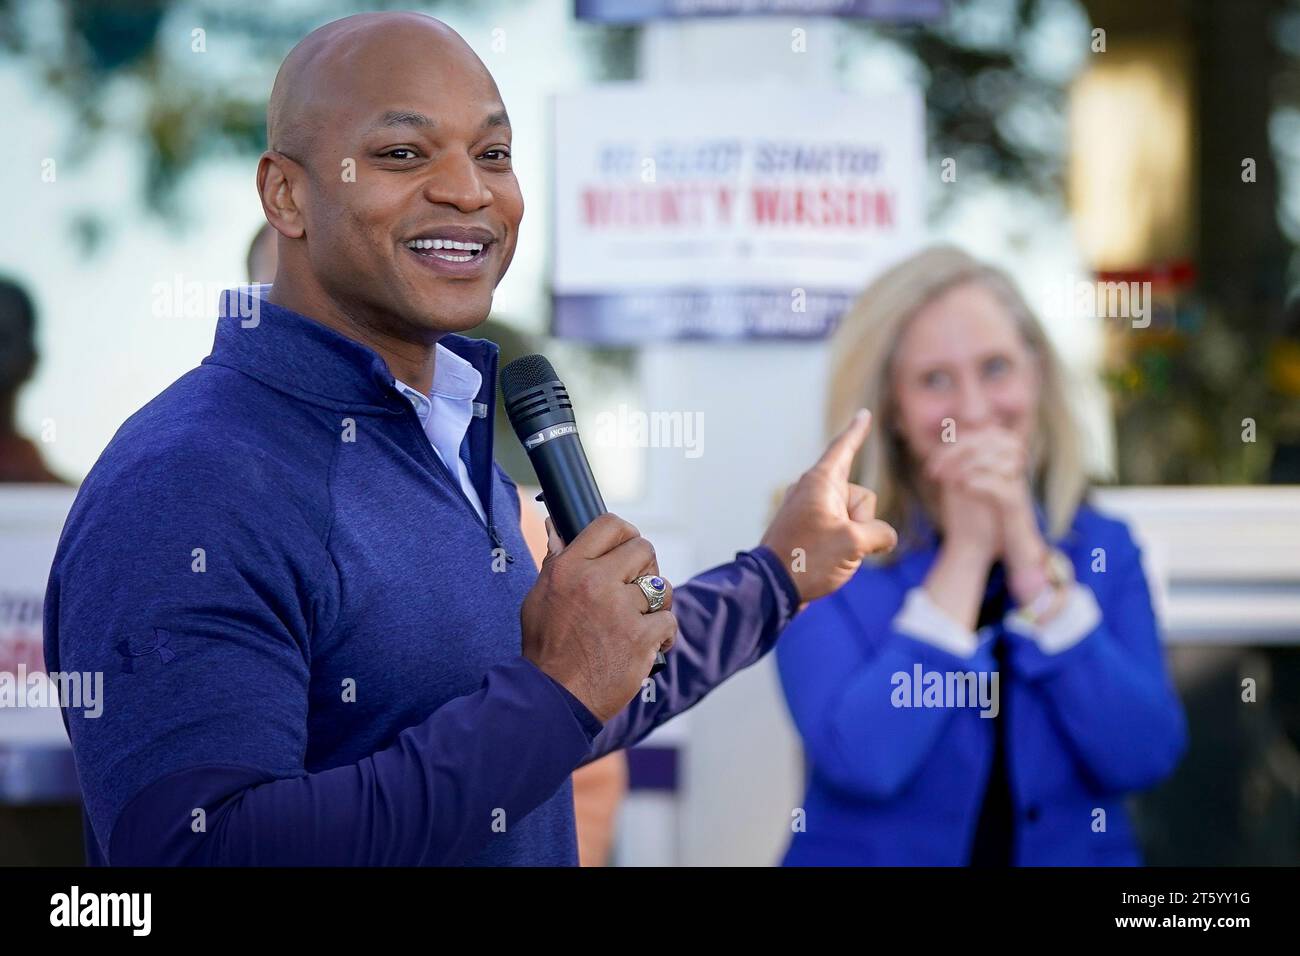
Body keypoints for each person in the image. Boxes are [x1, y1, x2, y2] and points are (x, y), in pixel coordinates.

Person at [43, 12, 897, 867]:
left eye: (492, 154)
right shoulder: (189, 480)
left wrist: (779, 572)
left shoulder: (437, 440)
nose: (468, 191)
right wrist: (554, 693)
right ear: (286, 195)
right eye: (403, 155)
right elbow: (201, 852)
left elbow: (563, 701)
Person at [777, 245, 1187, 866]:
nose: (971, 410)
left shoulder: (1106, 548)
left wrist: (1031, 569)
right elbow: (863, 761)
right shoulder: (822, 550)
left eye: (995, 367)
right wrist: (967, 554)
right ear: (892, 410)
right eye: (935, 379)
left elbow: (1144, 753)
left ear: (1036, 375)